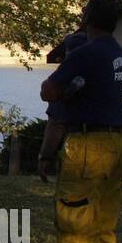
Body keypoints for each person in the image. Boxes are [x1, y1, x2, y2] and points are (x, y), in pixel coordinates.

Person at [40, 0, 122, 243]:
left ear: (87, 20)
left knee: (76, 221)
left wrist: (65, 91)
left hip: (89, 145)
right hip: (117, 142)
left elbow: (47, 91)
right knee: (104, 222)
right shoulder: (117, 54)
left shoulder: (86, 53)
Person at [37, 25, 89, 184]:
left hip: (76, 152)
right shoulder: (101, 76)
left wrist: (45, 157)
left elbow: (56, 124)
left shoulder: (63, 86)